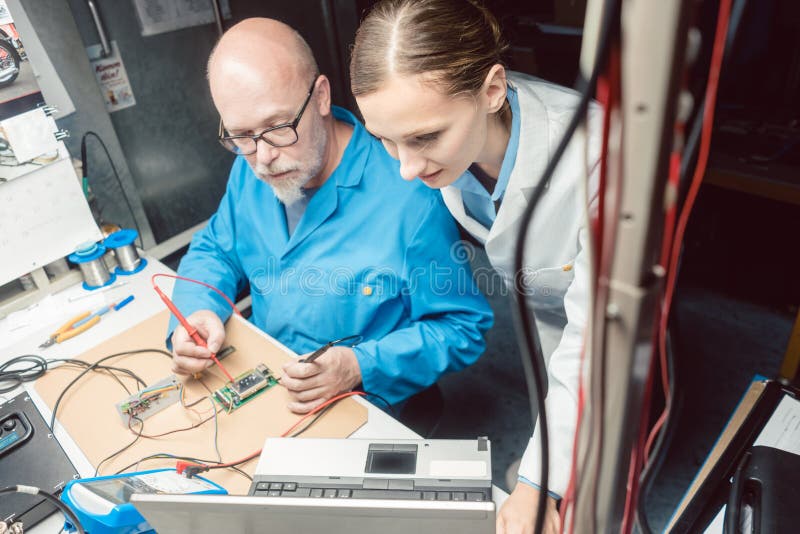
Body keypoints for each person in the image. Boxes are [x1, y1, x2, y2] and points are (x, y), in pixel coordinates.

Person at [350, 1, 599, 532]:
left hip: (605, 319)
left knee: (612, 437)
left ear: (491, 90)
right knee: (554, 397)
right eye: (385, 139)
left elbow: (596, 343)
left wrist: (537, 485)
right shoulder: (446, 143)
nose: (407, 169)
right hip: (544, 303)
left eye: (424, 138)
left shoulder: (598, 158)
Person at [168, 17, 493, 416]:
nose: (265, 157)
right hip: (270, 387)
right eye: (242, 136)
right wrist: (199, 310)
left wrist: (360, 365)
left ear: (321, 96)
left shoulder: (410, 196)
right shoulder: (250, 167)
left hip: (369, 409)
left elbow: (462, 328)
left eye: (278, 126)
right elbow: (216, 249)